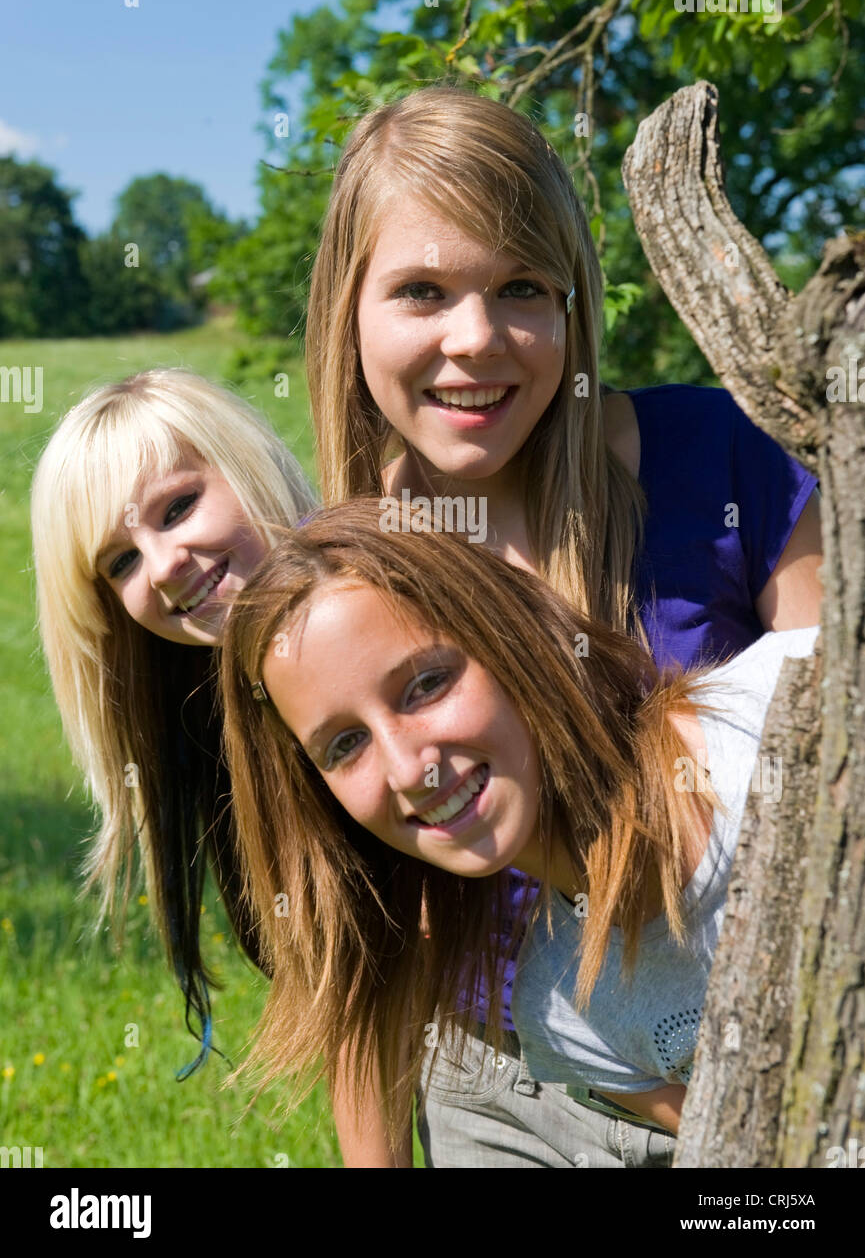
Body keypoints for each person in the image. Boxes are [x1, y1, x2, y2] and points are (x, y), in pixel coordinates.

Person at [302, 85, 823, 1165]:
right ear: (348, 313)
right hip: (500, 1086)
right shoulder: (345, 591)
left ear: (575, 305)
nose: (476, 339)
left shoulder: (728, 458)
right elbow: (361, 951)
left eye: (521, 288)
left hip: (761, 1056)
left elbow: (835, 804)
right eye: (421, 291)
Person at [219, 500, 819, 1167]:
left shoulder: (781, 720)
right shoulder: (560, 1017)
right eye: (345, 744)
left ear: (510, 636)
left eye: (425, 684)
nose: (407, 767)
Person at [30, 368, 316, 1073]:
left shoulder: (393, 607)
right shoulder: (235, 716)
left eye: (178, 507)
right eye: (122, 560)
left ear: (247, 463)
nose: (161, 566)